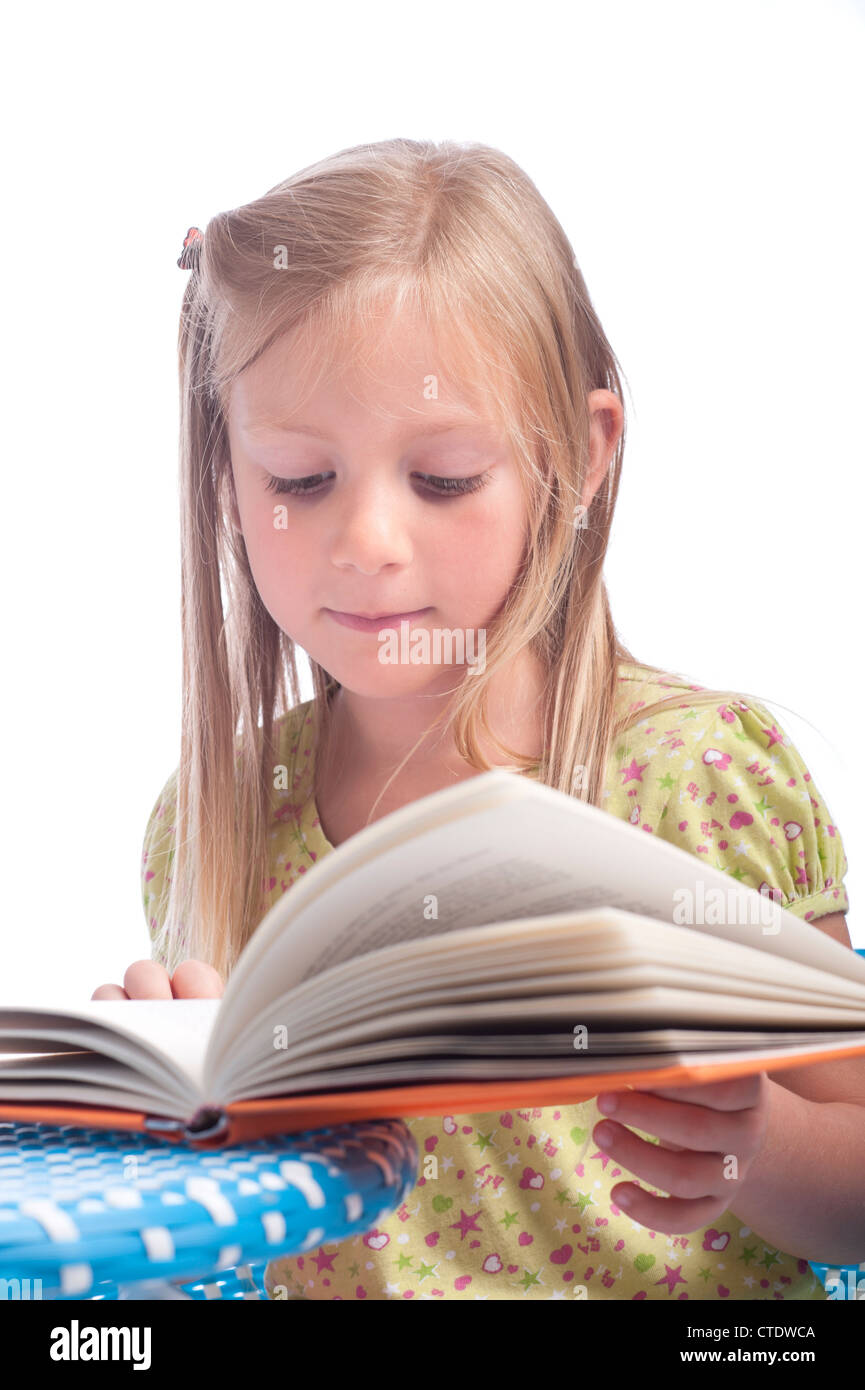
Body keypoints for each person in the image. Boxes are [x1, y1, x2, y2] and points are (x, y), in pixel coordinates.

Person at [93, 139, 864, 1300]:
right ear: (228, 479)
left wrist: (754, 1140)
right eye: (298, 479)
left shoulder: (699, 779)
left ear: (579, 454)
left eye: (445, 477)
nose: (367, 542)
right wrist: (165, 1116)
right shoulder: (212, 823)